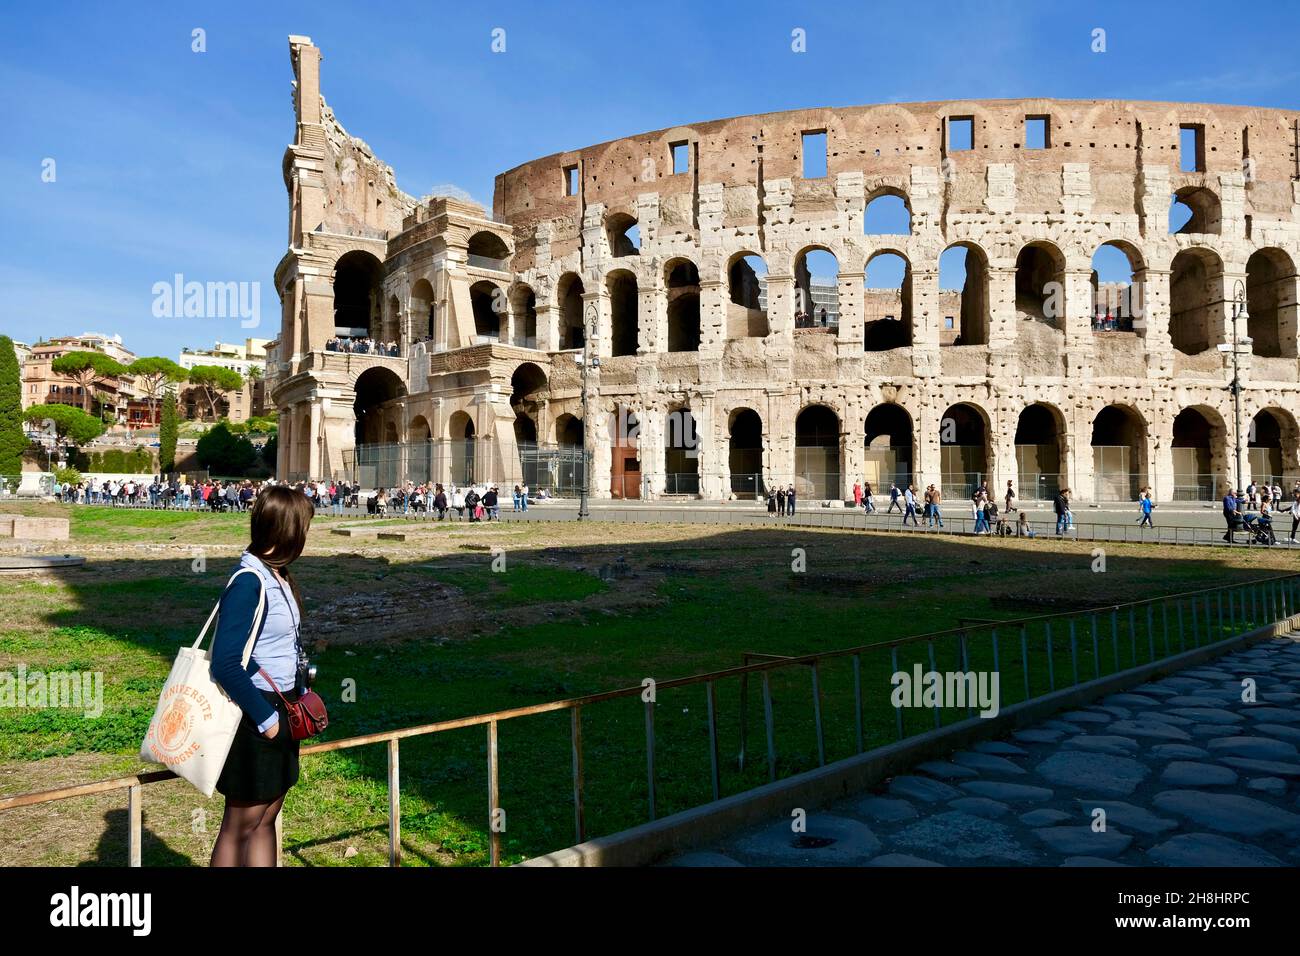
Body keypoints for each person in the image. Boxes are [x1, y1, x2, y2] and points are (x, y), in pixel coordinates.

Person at [209, 486, 314, 867]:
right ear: (286, 530)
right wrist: (267, 721)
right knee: (239, 826)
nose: (306, 535)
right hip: (256, 713)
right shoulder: (249, 582)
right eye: (303, 527)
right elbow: (224, 662)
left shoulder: (278, 574)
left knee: (267, 818)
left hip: (284, 707)